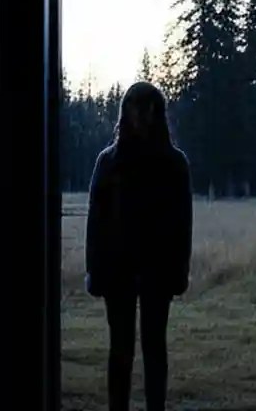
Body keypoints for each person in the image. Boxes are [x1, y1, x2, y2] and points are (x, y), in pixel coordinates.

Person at [85, 81, 193, 411]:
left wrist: (179, 272)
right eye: (136, 106)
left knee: (153, 348)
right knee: (121, 349)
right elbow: (96, 222)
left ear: (157, 113)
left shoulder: (174, 164)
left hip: (157, 271)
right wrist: (95, 270)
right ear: (126, 111)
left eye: (148, 107)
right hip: (119, 270)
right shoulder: (109, 162)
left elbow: (182, 224)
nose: (142, 114)